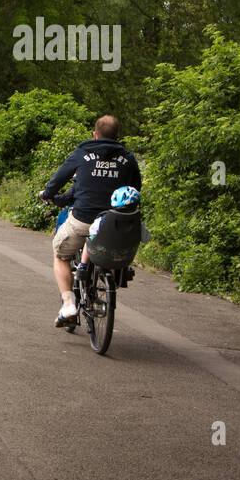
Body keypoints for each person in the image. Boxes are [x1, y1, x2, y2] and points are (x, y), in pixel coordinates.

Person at [39, 115, 142, 327]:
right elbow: (136, 187)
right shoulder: (128, 158)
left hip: (83, 219)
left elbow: (58, 179)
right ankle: (107, 281)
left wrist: (48, 193)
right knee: (110, 249)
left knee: (60, 255)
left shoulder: (82, 153)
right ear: (118, 137)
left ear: (94, 135)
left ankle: (68, 303)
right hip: (114, 223)